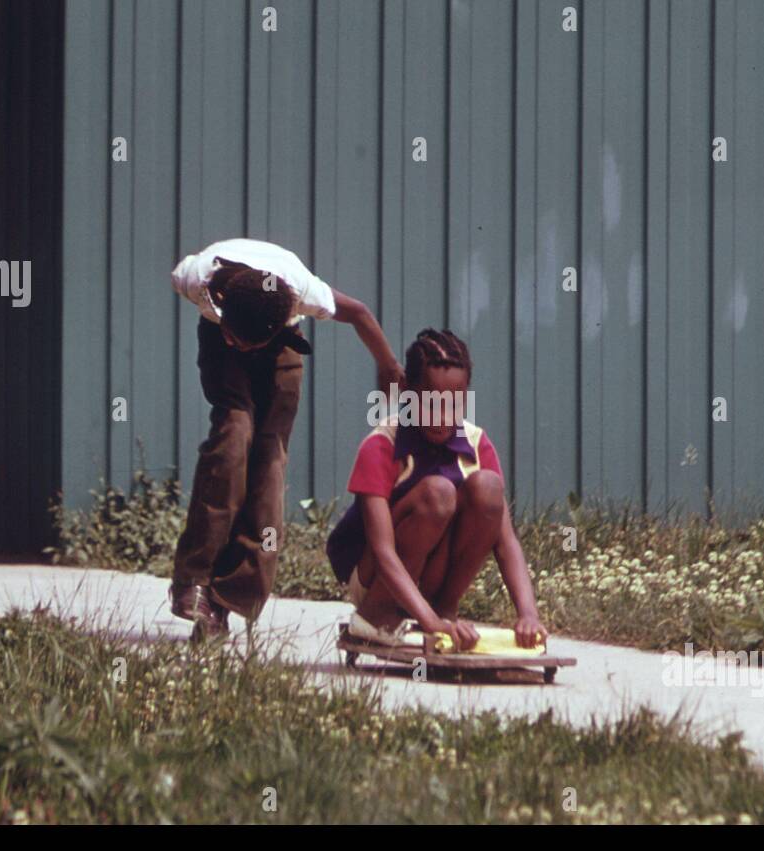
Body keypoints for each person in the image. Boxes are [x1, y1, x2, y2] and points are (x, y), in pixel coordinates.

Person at [169, 239, 404, 641]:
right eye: (236, 339)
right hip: (220, 326)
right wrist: (229, 335)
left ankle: (228, 598)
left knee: (270, 458)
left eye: (244, 346)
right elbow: (224, 331)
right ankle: (194, 578)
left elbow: (360, 313)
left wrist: (390, 367)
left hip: (278, 339)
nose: (237, 348)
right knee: (234, 435)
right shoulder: (194, 279)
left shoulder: (303, 292)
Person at [326, 329, 547, 651]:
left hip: (433, 573)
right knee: (438, 493)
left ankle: (444, 608)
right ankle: (378, 614)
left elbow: (505, 541)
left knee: (488, 486)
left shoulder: (475, 443)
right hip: (376, 577)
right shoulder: (382, 444)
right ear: (408, 392)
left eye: (454, 404)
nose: (443, 416)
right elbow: (383, 550)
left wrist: (528, 614)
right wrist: (426, 622)